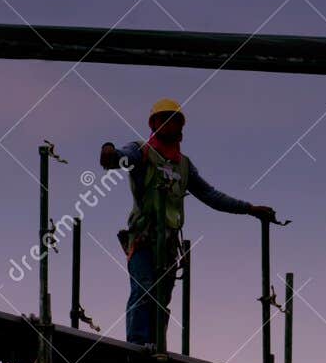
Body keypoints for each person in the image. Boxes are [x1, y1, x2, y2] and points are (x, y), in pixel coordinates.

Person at [100, 99, 276, 348]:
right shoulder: (141, 151)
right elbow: (120, 158)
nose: (170, 125)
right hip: (143, 238)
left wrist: (249, 209)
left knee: (161, 298)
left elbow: (211, 196)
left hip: (170, 243)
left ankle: (156, 346)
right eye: (165, 120)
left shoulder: (184, 165)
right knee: (145, 289)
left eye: (175, 120)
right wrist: (110, 152)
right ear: (155, 124)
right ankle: (137, 347)